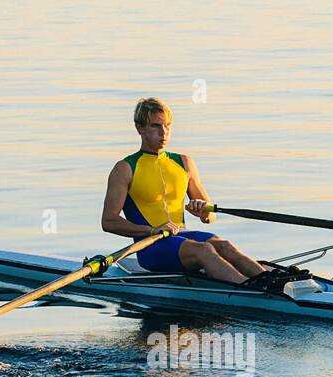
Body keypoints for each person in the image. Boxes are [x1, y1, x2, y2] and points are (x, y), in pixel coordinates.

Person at [100, 98, 285, 287]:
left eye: (167, 126)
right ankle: (252, 290)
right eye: (156, 126)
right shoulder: (125, 168)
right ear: (139, 128)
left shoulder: (184, 163)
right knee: (204, 250)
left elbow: (209, 216)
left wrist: (203, 211)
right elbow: (109, 221)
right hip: (152, 247)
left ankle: (270, 281)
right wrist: (152, 230)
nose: (163, 133)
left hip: (183, 238)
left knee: (224, 245)